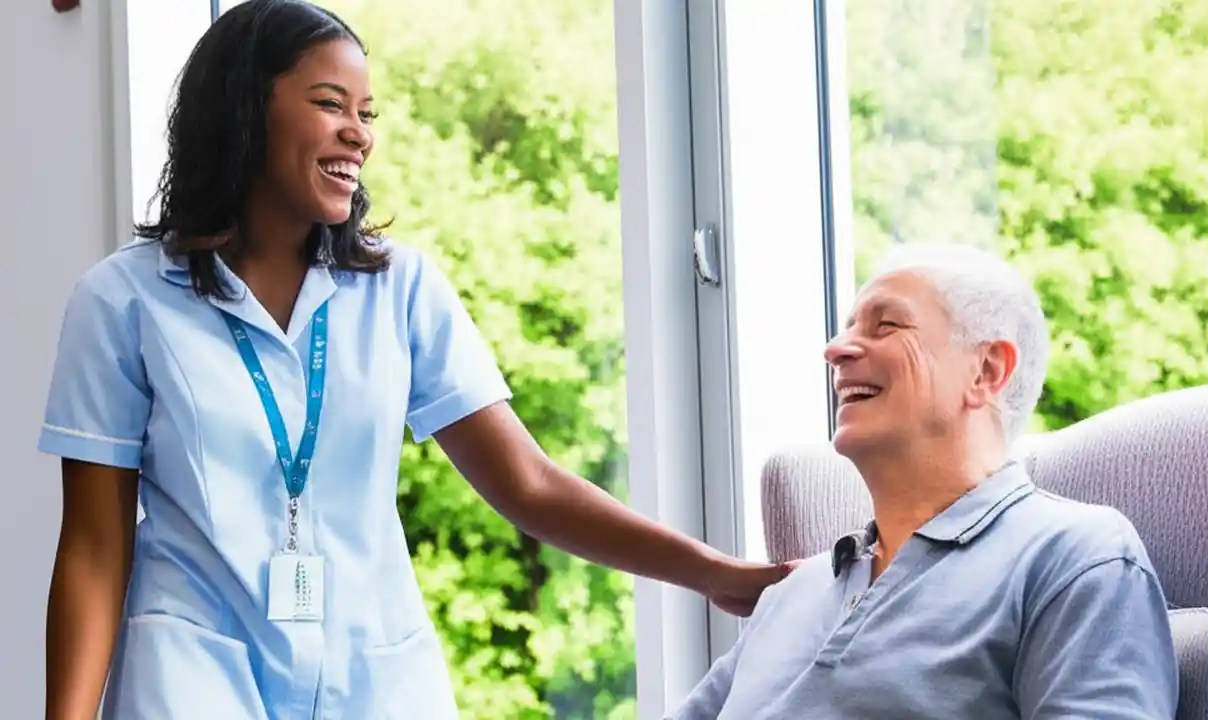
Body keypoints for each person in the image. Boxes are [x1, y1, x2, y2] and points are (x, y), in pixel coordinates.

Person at [39, 2, 789, 717]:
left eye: (366, 115)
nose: (359, 135)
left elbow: (528, 484)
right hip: (192, 676)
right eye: (331, 104)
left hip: (377, 679)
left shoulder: (400, 289)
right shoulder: (123, 302)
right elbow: (95, 551)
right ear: (243, 109)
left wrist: (712, 573)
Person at [671, 244, 1179, 719]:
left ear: (987, 370)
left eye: (885, 325)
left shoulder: (1076, 555)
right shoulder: (791, 593)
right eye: (847, 328)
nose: (836, 349)